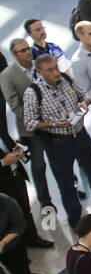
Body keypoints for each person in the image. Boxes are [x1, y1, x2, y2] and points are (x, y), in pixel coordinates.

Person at [21, 54, 91, 224]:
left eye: (56, 67)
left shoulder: (66, 79)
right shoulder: (33, 92)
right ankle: (75, 219)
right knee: (66, 182)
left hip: (81, 135)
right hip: (58, 142)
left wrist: (84, 103)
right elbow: (30, 123)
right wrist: (54, 124)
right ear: (39, 72)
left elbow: (84, 95)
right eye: (50, 70)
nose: (55, 72)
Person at [1, 39, 53, 214]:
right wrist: (36, 119)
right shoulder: (7, 75)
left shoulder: (39, 66)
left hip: (54, 123)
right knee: (39, 165)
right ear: (15, 55)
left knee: (60, 160)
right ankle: (45, 201)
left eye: (28, 49)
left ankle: (72, 187)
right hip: (31, 129)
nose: (28, 52)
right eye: (22, 51)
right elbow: (15, 104)